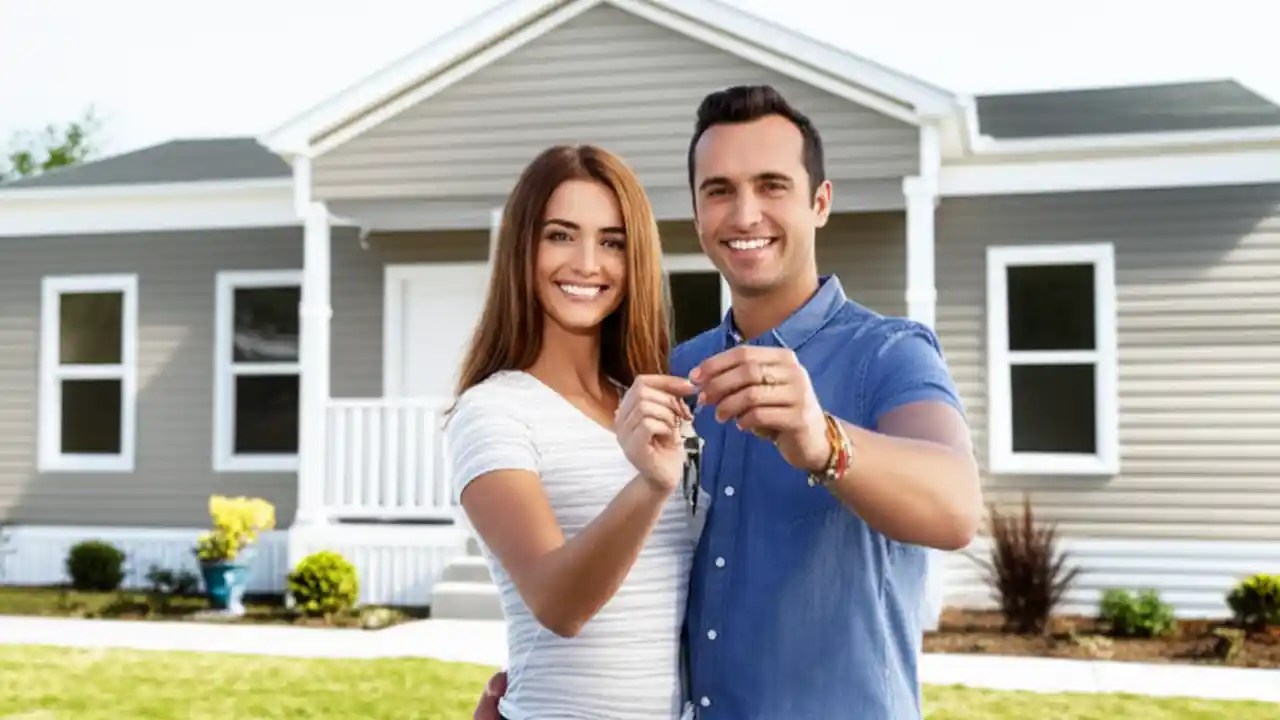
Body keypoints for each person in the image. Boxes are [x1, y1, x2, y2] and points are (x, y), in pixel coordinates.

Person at [474, 85, 983, 719]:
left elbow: (958, 508)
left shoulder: (891, 354)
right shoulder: (675, 375)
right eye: (720, 190)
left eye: (772, 185)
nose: (745, 215)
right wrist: (530, 696)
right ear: (697, 215)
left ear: (820, 203)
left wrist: (820, 438)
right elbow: (636, 574)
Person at [444, 144, 701, 720]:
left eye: (612, 242)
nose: (588, 263)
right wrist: (650, 485)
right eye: (561, 235)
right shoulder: (492, 412)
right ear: (522, 248)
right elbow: (558, 603)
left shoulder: (650, 404)